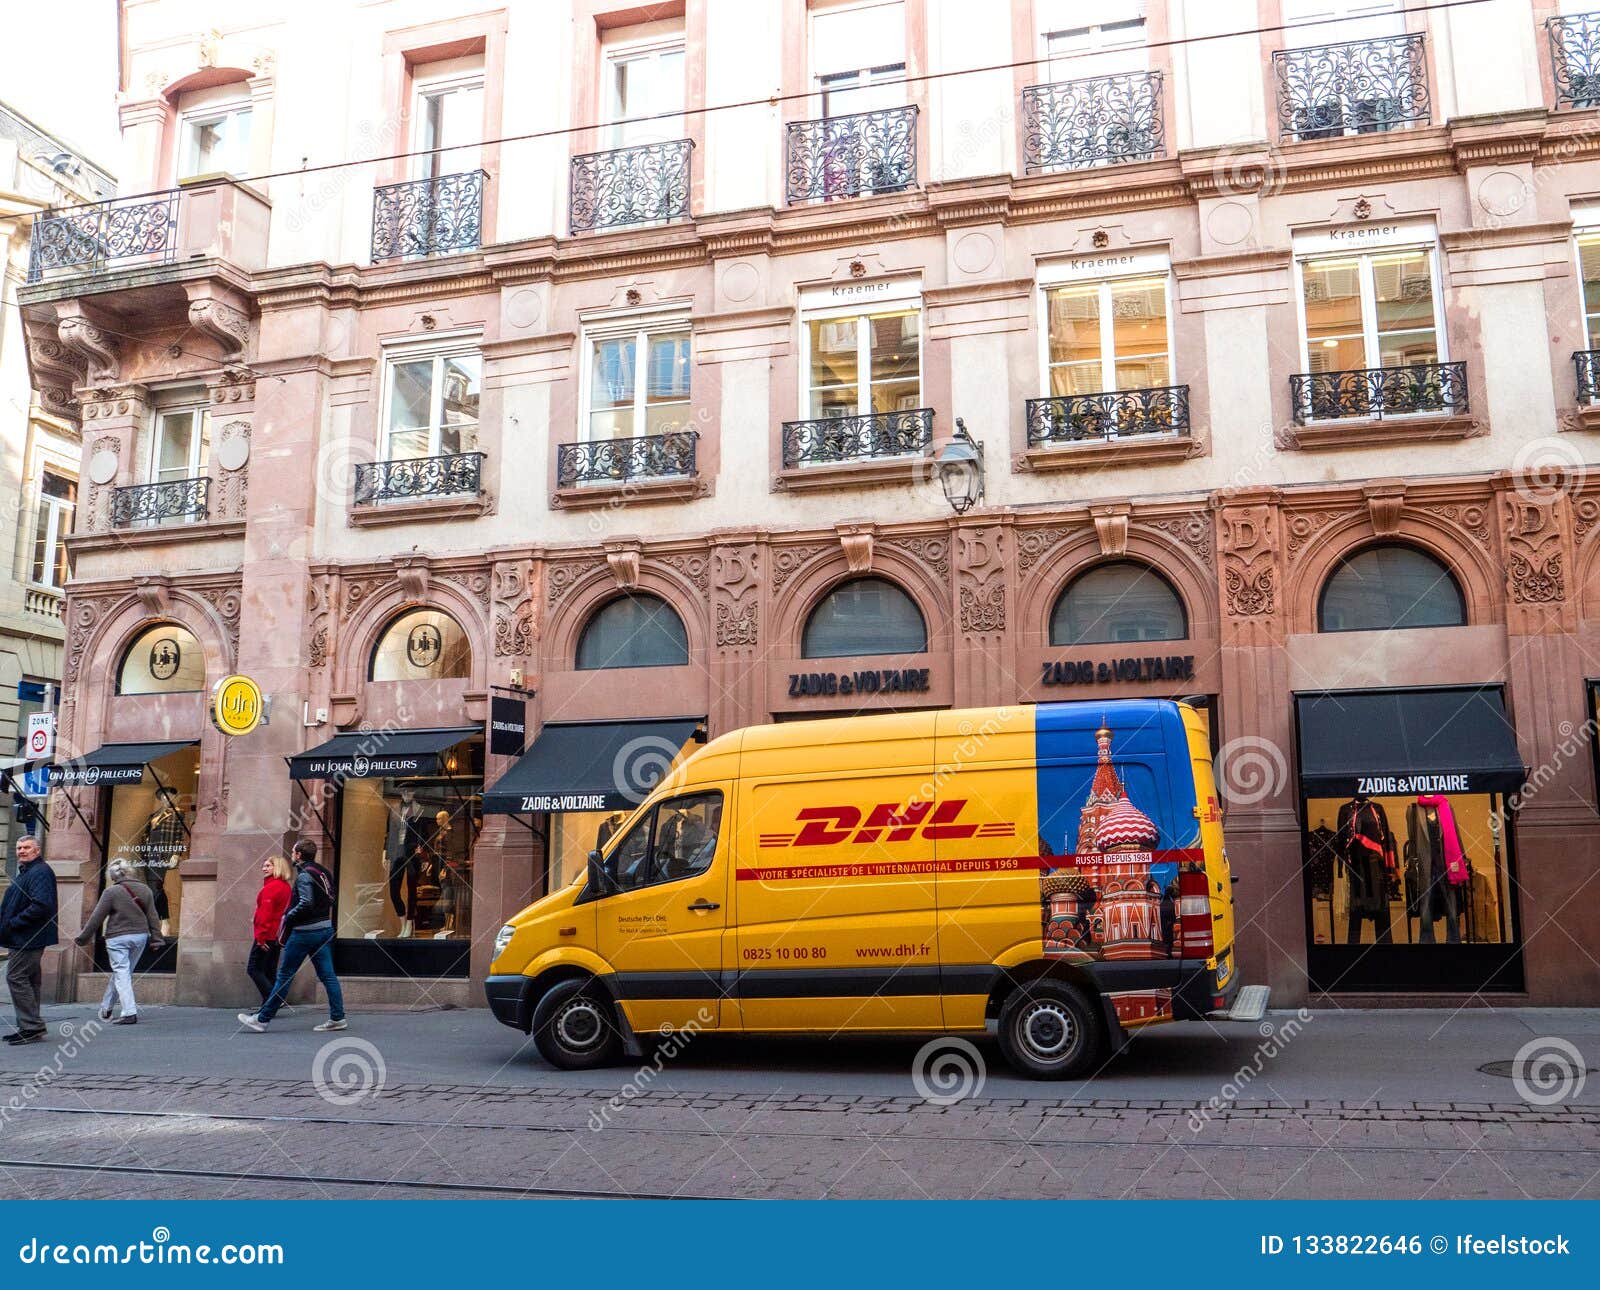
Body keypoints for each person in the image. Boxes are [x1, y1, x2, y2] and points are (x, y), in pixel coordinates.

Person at [237, 839, 346, 1032]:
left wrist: (287, 916)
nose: (292, 855)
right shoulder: (323, 872)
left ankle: (262, 1019)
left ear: (298, 855)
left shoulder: (304, 875)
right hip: (324, 928)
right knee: (328, 975)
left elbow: (306, 902)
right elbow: (331, 898)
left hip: (305, 932)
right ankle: (338, 1017)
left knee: (285, 975)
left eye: (294, 852)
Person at [73, 859, 161, 1025]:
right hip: (140, 936)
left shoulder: (111, 892)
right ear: (130, 871)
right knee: (123, 973)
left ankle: (129, 1012)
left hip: (117, 937)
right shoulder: (145, 889)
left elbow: (96, 917)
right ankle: (106, 1008)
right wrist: (156, 938)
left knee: (121, 972)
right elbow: (153, 916)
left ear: (113, 876)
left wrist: (83, 937)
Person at [0, 835, 58, 1044]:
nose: (21, 851)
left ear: (37, 851)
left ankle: (31, 1026)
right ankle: (30, 1025)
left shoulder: (40, 872)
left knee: (16, 977)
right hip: (23, 936)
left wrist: (14, 923)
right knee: (30, 980)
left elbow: (42, 905)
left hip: (28, 936)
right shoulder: (28, 871)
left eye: (26, 847)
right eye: (18, 848)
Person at [247, 856, 294, 1004]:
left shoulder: (271, 888)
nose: (264, 868)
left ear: (278, 867)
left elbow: (265, 914)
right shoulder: (286, 887)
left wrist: (260, 937)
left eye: (268, 866)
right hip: (277, 936)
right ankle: (269, 1003)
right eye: (264, 865)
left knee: (253, 968)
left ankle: (273, 1001)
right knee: (269, 970)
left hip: (266, 935)